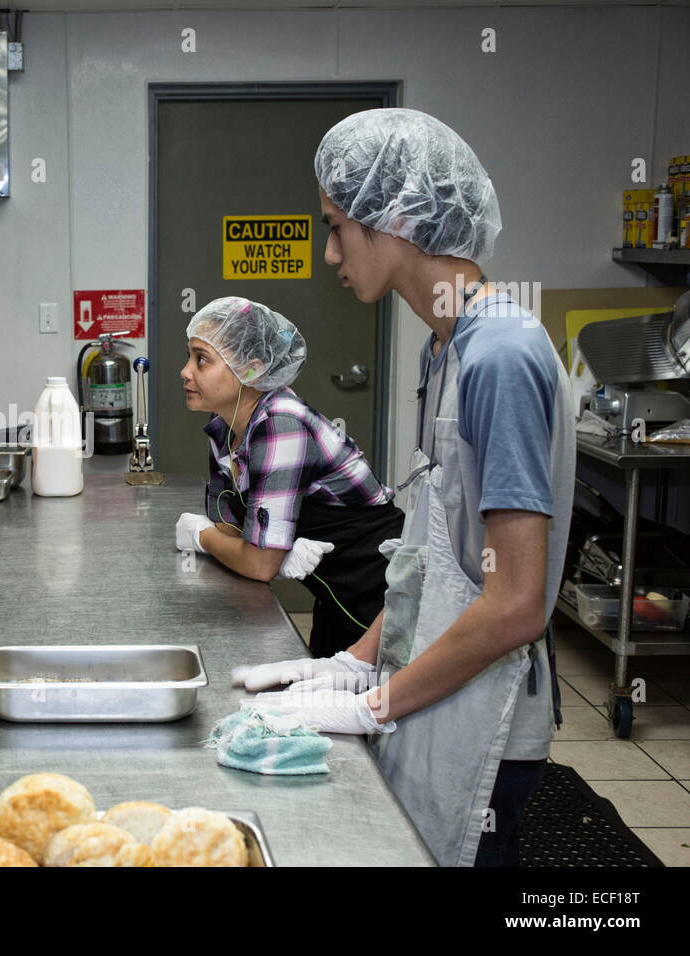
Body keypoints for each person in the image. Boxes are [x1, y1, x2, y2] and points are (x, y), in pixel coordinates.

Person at [240, 108, 574, 867]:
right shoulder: (446, 348)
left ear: (396, 217)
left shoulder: (501, 358)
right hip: (430, 686)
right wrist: (354, 661)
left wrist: (373, 704)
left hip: (481, 717)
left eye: (335, 226)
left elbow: (516, 602)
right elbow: (434, 555)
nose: (329, 254)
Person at [174, 296, 403, 657]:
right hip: (332, 595)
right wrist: (254, 551)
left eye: (201, 359)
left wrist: (199, 536)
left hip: (378, 593)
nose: (186, 371)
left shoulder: (281, 424)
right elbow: (233, 532)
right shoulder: (224, 429)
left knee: (375, 701)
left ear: (250, 369)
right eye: (189, 357)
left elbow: (256, 562)